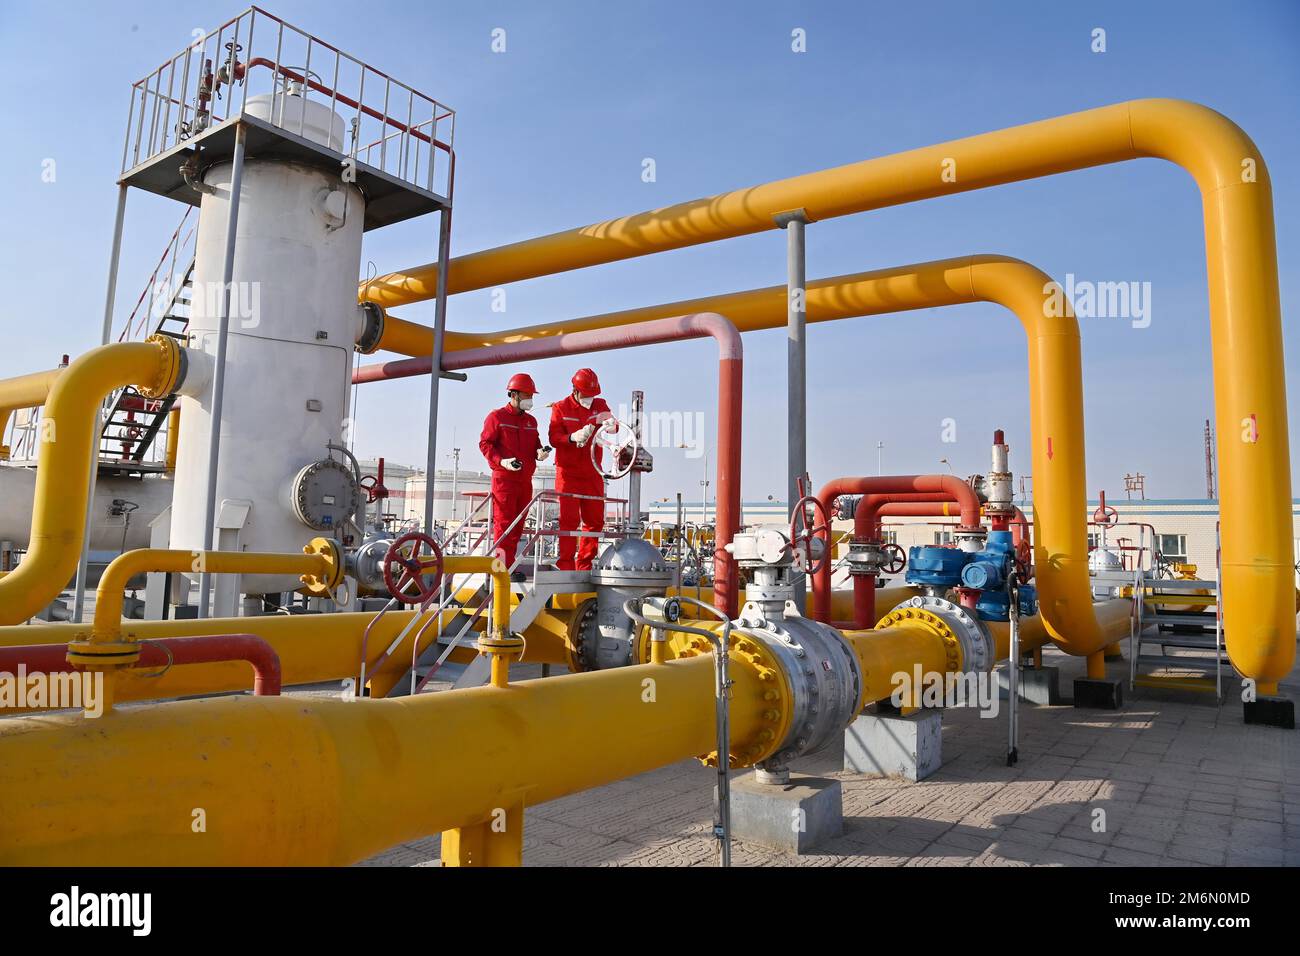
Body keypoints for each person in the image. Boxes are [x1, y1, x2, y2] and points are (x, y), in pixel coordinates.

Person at [479, 373, 549, 571]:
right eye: (527, 394)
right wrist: (502, 462)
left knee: (518, 526)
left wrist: (540, 452)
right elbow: (485, 444)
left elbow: (536, 444)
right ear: (514, 394)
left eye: (531, 395)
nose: (530, 399)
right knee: (504, 526)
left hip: (525, 481)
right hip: (504, 480)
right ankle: (501, 569)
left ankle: (508, 566)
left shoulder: (531, 421)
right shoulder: (497, 417)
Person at [549, 367, 613, 571]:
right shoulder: (560, 408)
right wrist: (572, 437)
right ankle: (566, 566)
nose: (590, 398)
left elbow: (615, 426)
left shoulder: (599, 404)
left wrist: (611, 423)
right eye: (586, 394)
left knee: (594, 521)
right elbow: (553, 438)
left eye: (593, 395)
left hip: (593, 471)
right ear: (575, 390)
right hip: (568, 473)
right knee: (569, 521)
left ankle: (584, 566)